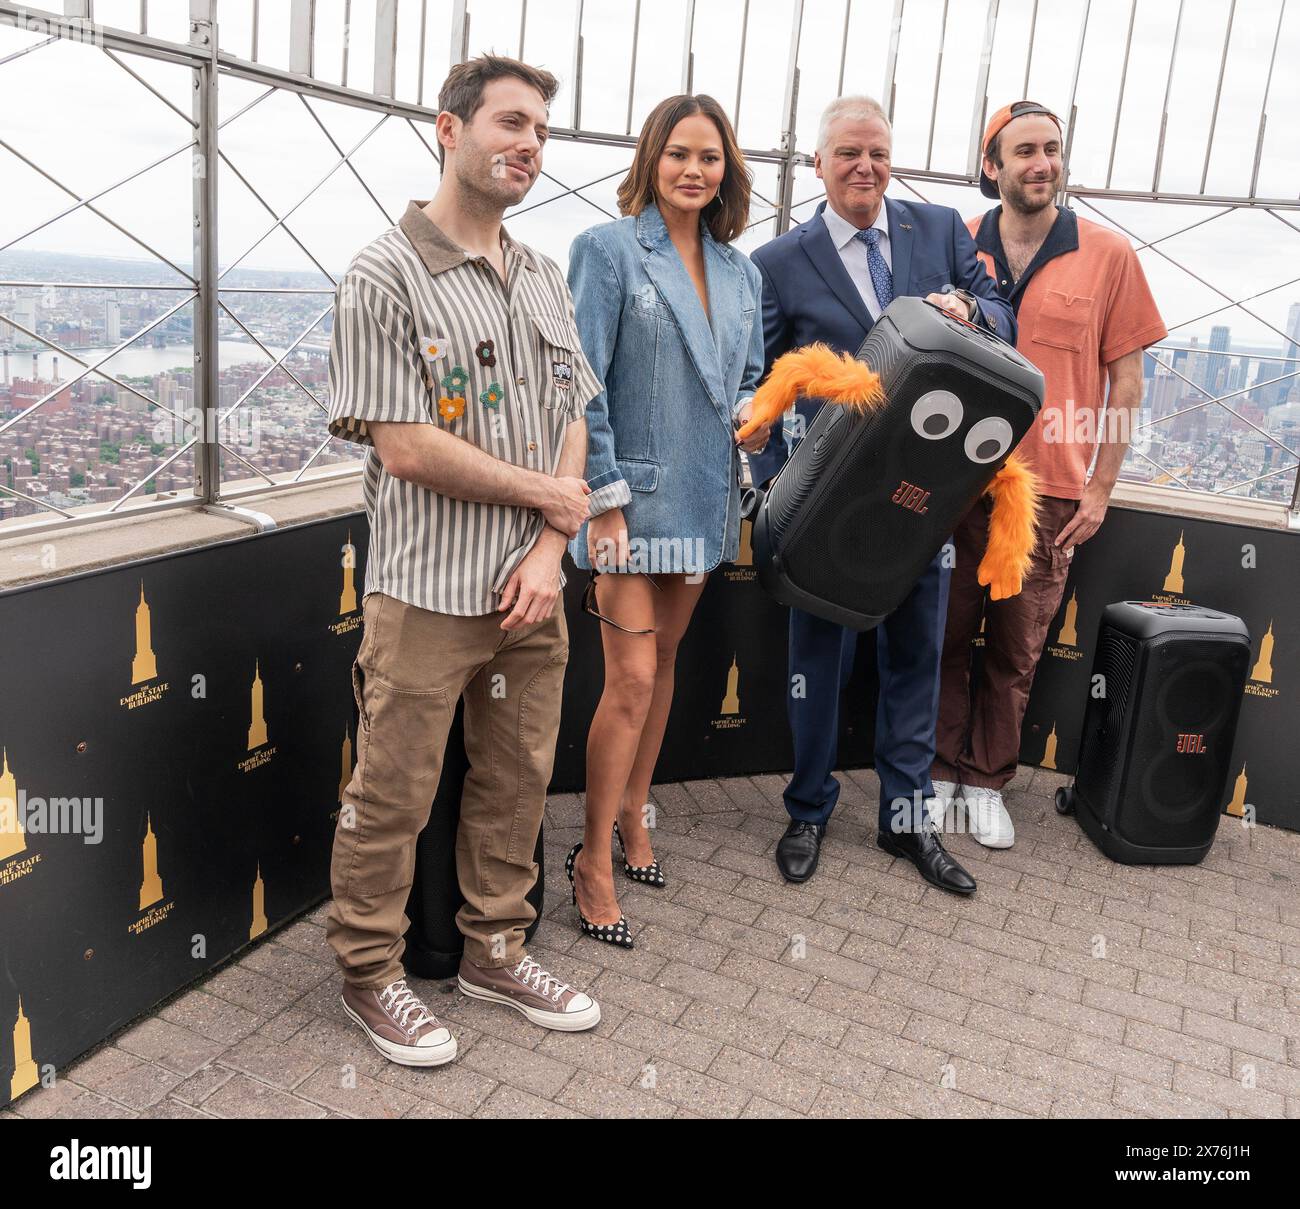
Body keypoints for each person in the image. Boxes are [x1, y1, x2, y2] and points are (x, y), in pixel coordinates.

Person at [324, 55, 606, 1068]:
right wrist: (550, 503)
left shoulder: (541, 273)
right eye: (510, 123)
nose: (529, 143)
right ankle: (368, 973)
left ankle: (495, 950)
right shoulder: (382, 272)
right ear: (449, 130)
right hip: (427, 591)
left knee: (516, 783)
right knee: (391, 795)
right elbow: (403, 445)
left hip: (531, 589)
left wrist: (550, 548)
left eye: (540, 130)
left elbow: (571, 412)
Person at [747, 95, 1016, 895]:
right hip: (829, 509)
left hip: (924, 500)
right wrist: (773, 496)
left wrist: (968, 306)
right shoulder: (777, 264)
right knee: (817, 666)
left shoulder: (939, 232)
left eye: (878, 153)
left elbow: (1003, 317)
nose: (865, 167)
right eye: (848, 155)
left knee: (915, 664)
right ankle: (807, 811)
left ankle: (907, 824)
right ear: (819, 164)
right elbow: (760, 388)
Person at [932, 101, 1166, 847]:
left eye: (1053, 150)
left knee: (1016, 647)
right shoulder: (957, 243)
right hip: (954, 480)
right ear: (991, 165)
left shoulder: (1109, 255)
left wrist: (1101, 486)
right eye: (1025, 150)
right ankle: (937, 774)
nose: (1043, 163)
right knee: (942, 636)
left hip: (1051, 490)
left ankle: (988, 779)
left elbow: (1126, 383)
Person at [564, 94, 768, 947]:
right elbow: (581, 379)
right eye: (680, 153)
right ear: (652, 158)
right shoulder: (607, 251)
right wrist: (604, 501)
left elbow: (749, 375)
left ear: (728, 171)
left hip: (704, 499)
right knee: (633, 680)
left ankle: (634, 815)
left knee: (670, 662)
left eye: (710, 157)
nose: (695, 169)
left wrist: (760, 412)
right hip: (628, 506)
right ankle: (590, 859)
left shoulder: (741, 271)